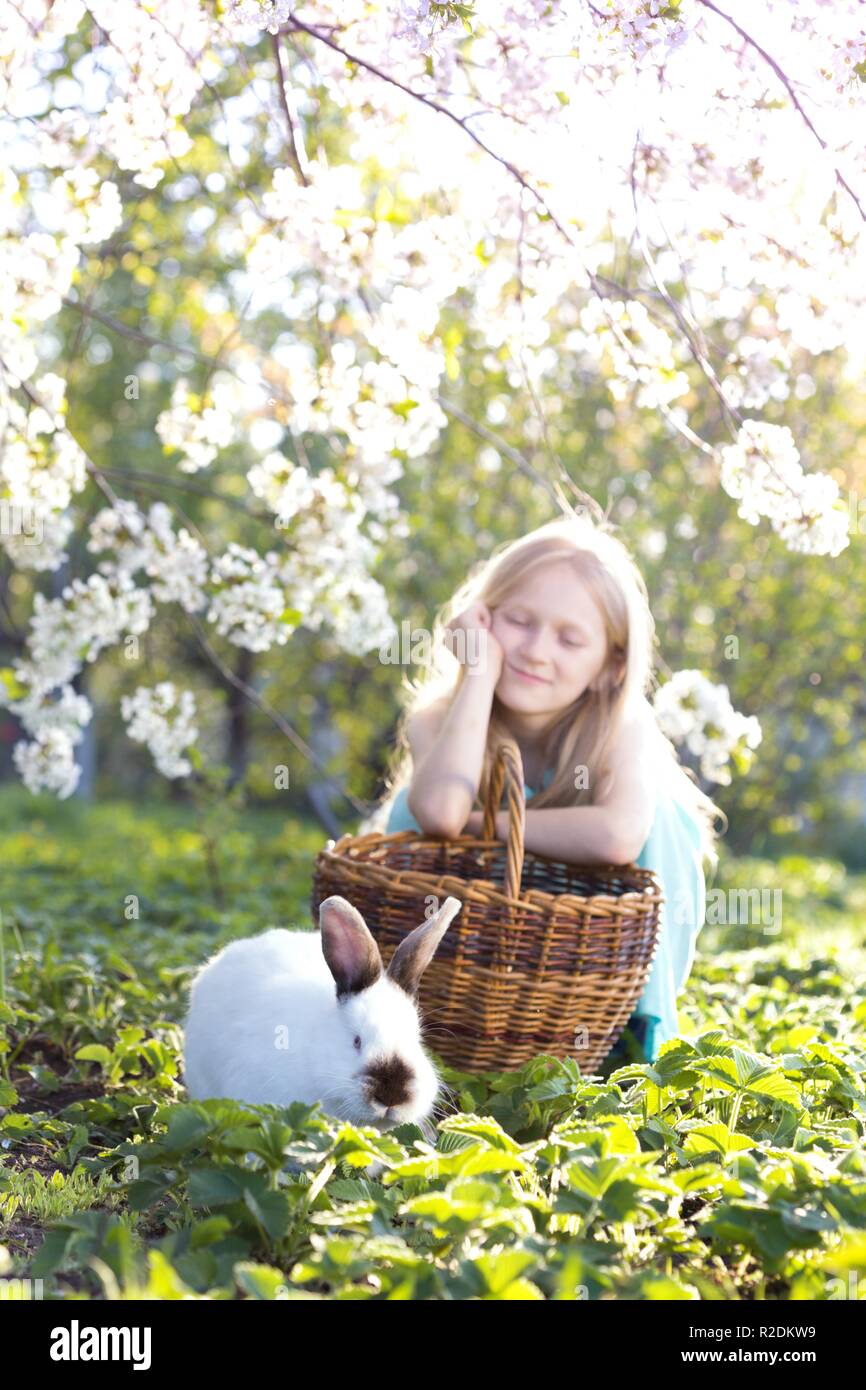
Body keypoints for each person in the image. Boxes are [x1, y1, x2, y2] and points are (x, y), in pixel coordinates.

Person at [360, 511, 727, 1065]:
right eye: (519, 621)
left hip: (584, 941)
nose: (536, 650)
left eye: (570, 638)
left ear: (610, 665)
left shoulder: (620, 728)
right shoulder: (440, 718)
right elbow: (437, 814)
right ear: (481, 620)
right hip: (478, 930)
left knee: (664, 812)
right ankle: (429, 1010)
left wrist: (487, 824)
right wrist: (478, 677)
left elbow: (618, 838)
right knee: (412, 806)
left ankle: (628, 1034)